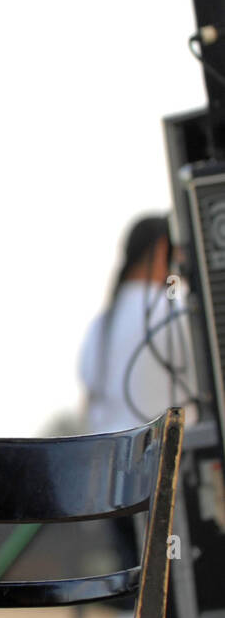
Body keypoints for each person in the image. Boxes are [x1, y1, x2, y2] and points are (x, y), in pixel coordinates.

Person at [79, 213, 197, 571]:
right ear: (164, 249)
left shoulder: (99, 326)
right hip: (171, 486)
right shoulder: (173, 314)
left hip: (113, 489)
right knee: (176, 597)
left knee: (137, 596)